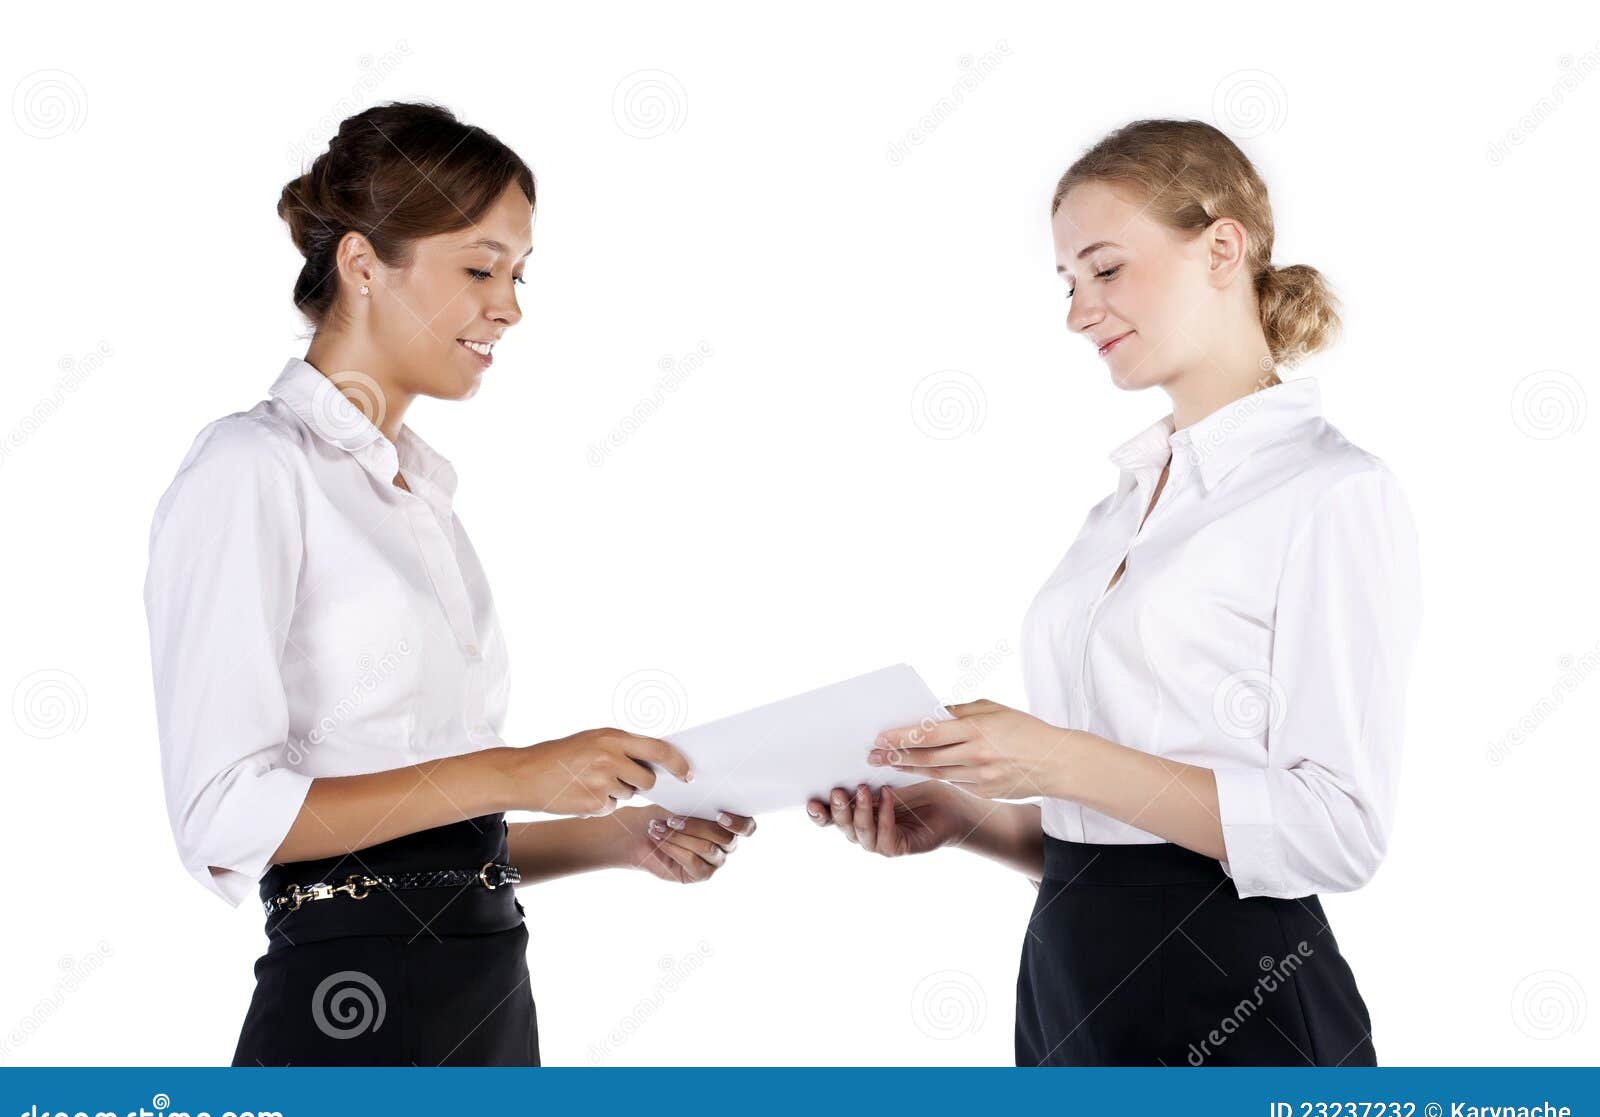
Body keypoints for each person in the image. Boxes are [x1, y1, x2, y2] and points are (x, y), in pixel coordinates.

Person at [142, 101, 755, 1067]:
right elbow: (225, 814)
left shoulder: (421, 495)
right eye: (479, 267)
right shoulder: (252, 469)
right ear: (360, 264)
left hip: (492, 997)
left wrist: (615, 838)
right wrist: (518, 770)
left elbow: (415, 843)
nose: (509, 305)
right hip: (356, 1018)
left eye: (518, 273)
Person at [809, 118, 1421, 1067]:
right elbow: (1125, 833)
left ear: (1224, 246)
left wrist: (1056, 757)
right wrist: (973, 813)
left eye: (1104, 268)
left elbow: (1337, 831)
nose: (1077, 310)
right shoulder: (1120, 508)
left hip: (1235, 990)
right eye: (1067, 281)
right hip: (1072, 979)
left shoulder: (1331, 492)